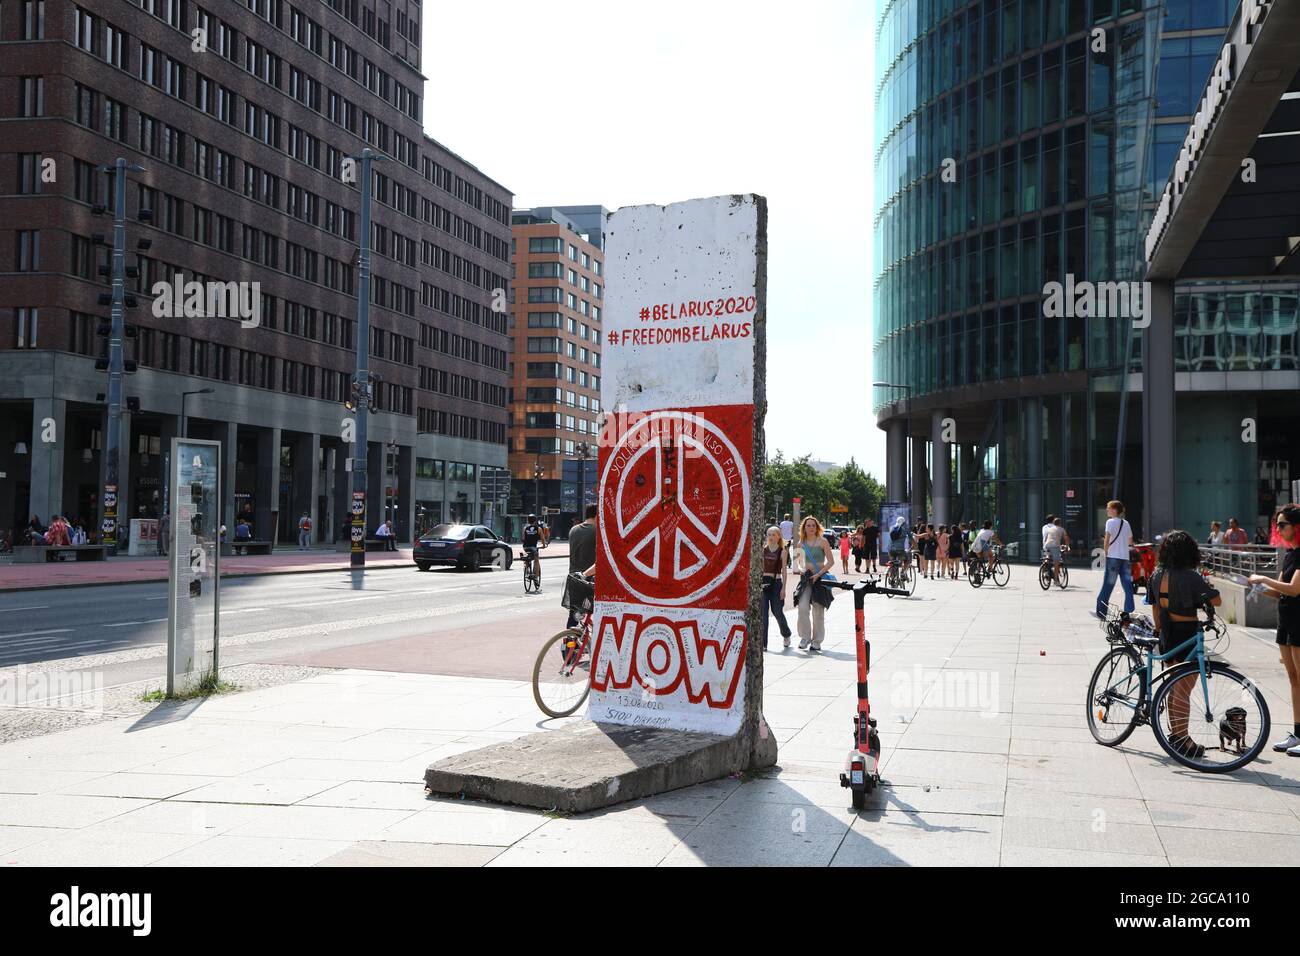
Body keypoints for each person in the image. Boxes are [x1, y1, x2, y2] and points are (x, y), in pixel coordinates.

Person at [1148, 530, 1222, 759]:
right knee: (1184, 690)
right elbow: (1216, 600)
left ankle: (1176, 734)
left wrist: (1159, 631)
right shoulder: (1190, 576)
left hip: (1167, 633)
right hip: (1187, 632)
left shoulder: (1157, 574)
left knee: (1173, 687)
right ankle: (1183, 739)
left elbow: (1154, 607)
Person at [1249, 504, 1300, 756]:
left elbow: (1294, 589)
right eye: (1277, 524)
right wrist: (1258, 588)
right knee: (1293, 679)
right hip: (1286, 619)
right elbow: (1280, 591)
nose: (1278, 528)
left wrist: (1264, 579)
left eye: (1283, 524)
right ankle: (1297, 733)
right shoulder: (1290, 554)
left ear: (1296, 527)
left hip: (1299, 620)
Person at [793, 516, 836, 652]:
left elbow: (831, 562)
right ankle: (804, 637)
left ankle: (817, 641)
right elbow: (797, 564)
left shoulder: (823, 541)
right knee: (802, 607)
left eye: (813, 525)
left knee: (818, 610)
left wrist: (818, 574)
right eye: (808, 525)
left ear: (817, 527)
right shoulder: (800, 543)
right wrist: (802, 570)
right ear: (804, 528)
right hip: (806, 578)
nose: (811, 528)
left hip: (820, 577)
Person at [1095, 499, 1135, 618]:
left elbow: (1107, 539)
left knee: (1108, 585)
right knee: (1127, 585)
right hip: (1125, 558)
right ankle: (1128, 611)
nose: (1107, 510)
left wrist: (1105, 552)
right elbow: (1130, 541)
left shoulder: (1110, 522)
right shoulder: (1126, 523)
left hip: (1113, 557)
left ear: (1114, 510)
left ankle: (1101, 612)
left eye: (1108, 508)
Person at [563, 505, 597, 627]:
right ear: (596, 516)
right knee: (596, 613)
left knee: (573, 615)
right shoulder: (596, 532)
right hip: (589, 580)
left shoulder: (573, 530)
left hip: (573, 578)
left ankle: (568, 643)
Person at [761, 526, 793, 650]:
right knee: (763, 614)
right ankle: (764, 644)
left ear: (779, 536)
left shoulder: (782, 551)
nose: (771, 537)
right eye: (769, 534)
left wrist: (783, 588)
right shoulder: (763, 550)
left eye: (774, 534)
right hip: (764, 583)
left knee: (777, 612)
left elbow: (784, 571)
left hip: (776, 584)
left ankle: (786, 634)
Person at [1042, 513, 1066, 585]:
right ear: (1053, 520)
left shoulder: (1044, 527)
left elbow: (1045, 536)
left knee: (1047, 557)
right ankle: (1056, 579)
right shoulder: (1055, 527)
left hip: (1045, 545)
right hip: (1054, 545)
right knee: (1056, 561)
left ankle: (1044, 568)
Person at [521, 513, 545, 583]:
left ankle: (527, 570)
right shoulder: (539, 529)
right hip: (533, 547)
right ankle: (536, 577)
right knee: (536, 560)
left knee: (526, 558)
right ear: (535, 521)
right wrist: (543, 545)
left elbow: (523, 538)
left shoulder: (525, 528)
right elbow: (543, 538)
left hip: (525, 547)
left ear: (528, 521)